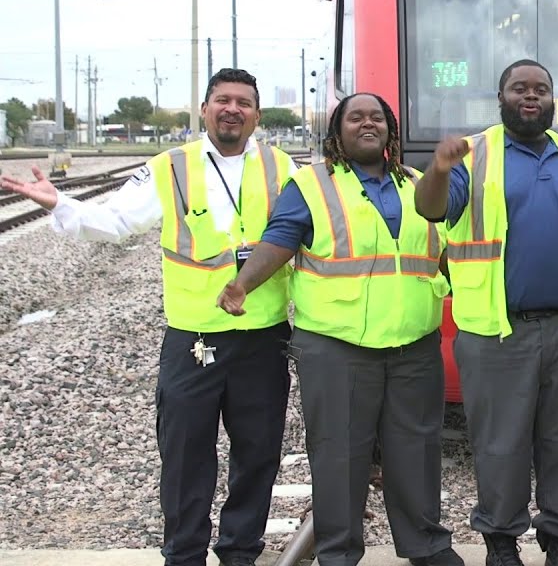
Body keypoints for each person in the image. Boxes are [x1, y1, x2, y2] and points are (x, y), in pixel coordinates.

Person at [1, 68, 295, 566]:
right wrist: (63, 204)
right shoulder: (171, 165)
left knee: (259, 454)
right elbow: (117, 220)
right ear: (204, 110)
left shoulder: (282, 165)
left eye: (243, 103)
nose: (232, 110)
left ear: (257, 116)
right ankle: (185, 555)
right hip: (194, 338)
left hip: (262, 338)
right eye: (222, 100)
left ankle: (241, 551)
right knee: (185, 457)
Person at [216, 92, 462, 566]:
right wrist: (242, 284)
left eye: (376, 117)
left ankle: (425, 545)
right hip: (335, 346)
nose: (367, 124)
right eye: (356, 117)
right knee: (338, 454)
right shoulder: (311, 185)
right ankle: (337, 552)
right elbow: (279, 239)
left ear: (390, 128)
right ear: (338, 132)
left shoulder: (417, 183)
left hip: (414, 342)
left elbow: (447, 254)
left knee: (416, 448)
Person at [415, 59, 558, 566]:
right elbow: (431, 209)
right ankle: (501, 541)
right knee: (499, 444)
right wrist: (439, 169)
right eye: (519, 88)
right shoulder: (474, 155)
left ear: (553, 100)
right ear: (501, 98)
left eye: (541, 89)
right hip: (496, 332)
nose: (530, 96)